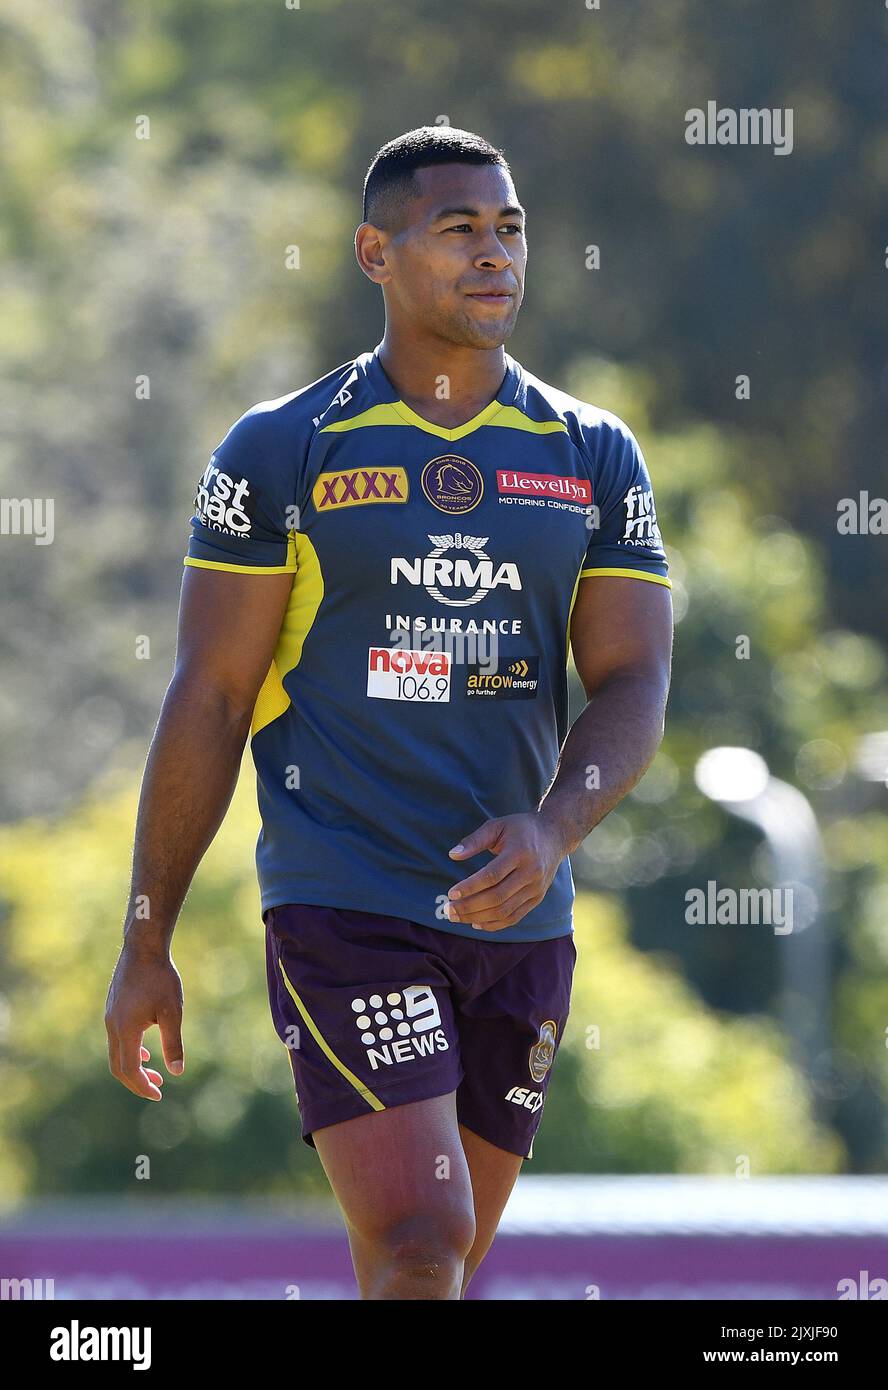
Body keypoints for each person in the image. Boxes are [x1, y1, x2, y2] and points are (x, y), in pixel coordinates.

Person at [105, 125, 673, 1300]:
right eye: (458, 229)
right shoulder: (280, 450)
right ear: (375, 251)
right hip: (344, 897)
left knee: (430, 1268)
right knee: (421, 1234)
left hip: (521, 921)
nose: (494, 256)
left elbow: (634, 682)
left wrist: (554, 830)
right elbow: (209, 699)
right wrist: (145, 940)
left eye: (510, 230)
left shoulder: (594, 455)